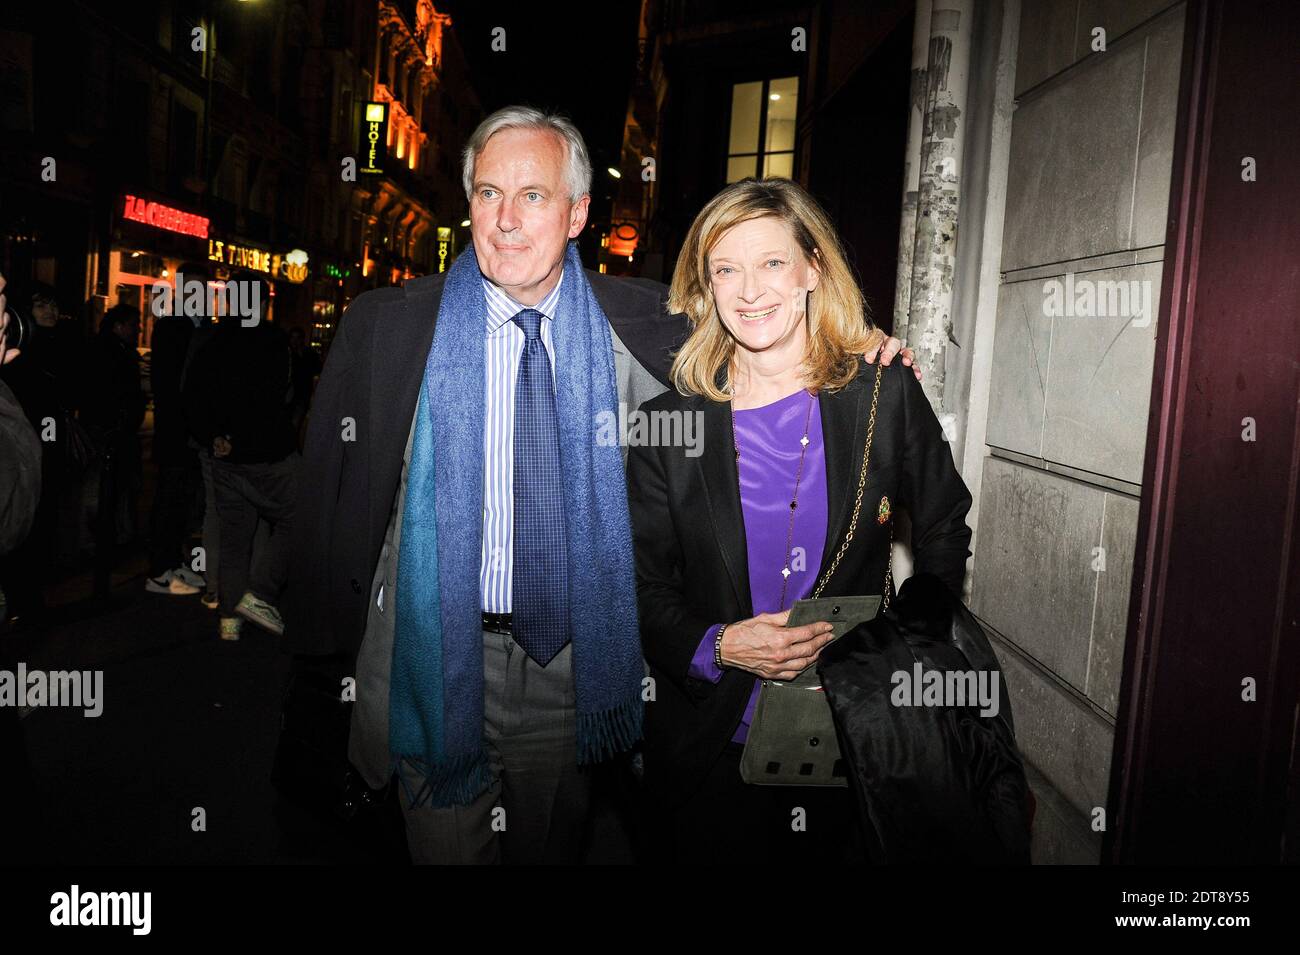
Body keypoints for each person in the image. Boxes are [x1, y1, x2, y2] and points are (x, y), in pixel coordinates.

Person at [284, 106, 919, 865]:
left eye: (534, 196)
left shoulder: (647, 324)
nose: (507, 221)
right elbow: (325, 500)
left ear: (579, 212)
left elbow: (763, 331)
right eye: (489, 194)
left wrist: (857, 351)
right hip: (429, 660)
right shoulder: (387, 326)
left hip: (572, 670)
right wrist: (323, 660)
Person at [626, 178, 973, 864]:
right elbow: (638, 585)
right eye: (726, 269)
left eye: (772, 263)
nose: (749, 290)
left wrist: (902, 646)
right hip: (708, 751)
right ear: (706, 286)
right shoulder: (670, 423)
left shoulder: (882, 391)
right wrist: (719, 644)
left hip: (850, 742)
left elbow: (944, 526)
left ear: (813, 267)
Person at [184, 274, 297, 640]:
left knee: (235, 537)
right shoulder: (272, 341)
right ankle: (261, 593)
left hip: (224, 456)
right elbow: (275, 396)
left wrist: (215, 437)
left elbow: (192, 397)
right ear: (263, 302)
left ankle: (229, 622)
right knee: (300, 514)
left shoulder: (212, 341)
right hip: (266, 455)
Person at [145, 262, 208, 597]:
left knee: (184, 502)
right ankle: (159, 569)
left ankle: (174, 560)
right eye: (191, 288)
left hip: (192, 433)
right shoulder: (172, 326)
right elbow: (170, 384)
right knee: (170, 499)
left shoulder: (199, 324)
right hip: (177, 431)